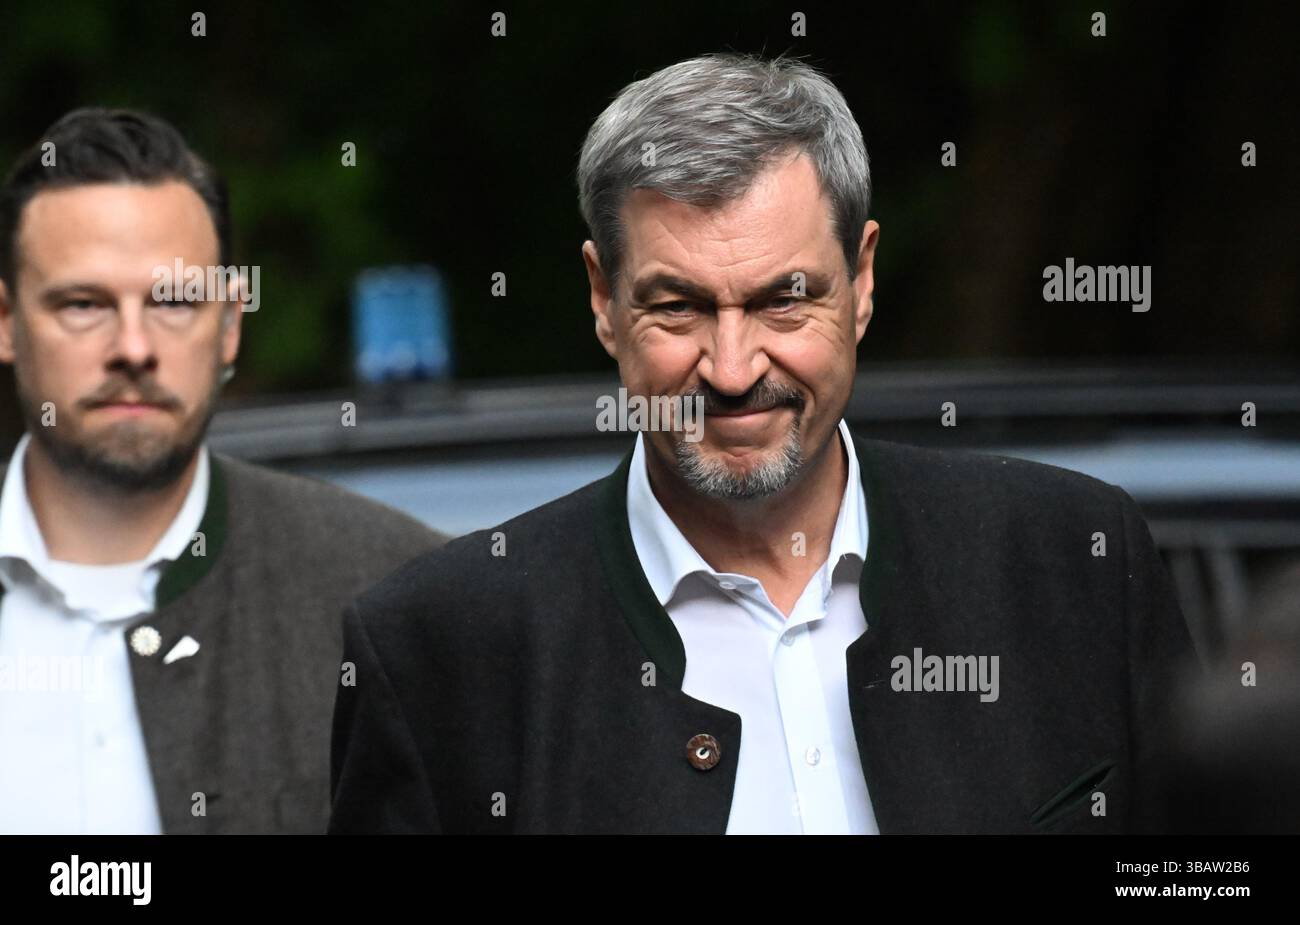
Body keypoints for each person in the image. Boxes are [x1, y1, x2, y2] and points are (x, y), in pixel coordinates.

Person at [329, 53, 1194, 834]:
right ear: (602, 298)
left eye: (784, 300)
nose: (735, 368)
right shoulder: (440, 649)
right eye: (680, 307)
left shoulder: (1074, 561)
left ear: (861, 280)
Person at [0, 108, 441, 834]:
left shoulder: (396, 595)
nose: (133, 347)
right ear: (9, 322)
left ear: (231, 320)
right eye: (84, 304)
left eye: (173, 300)